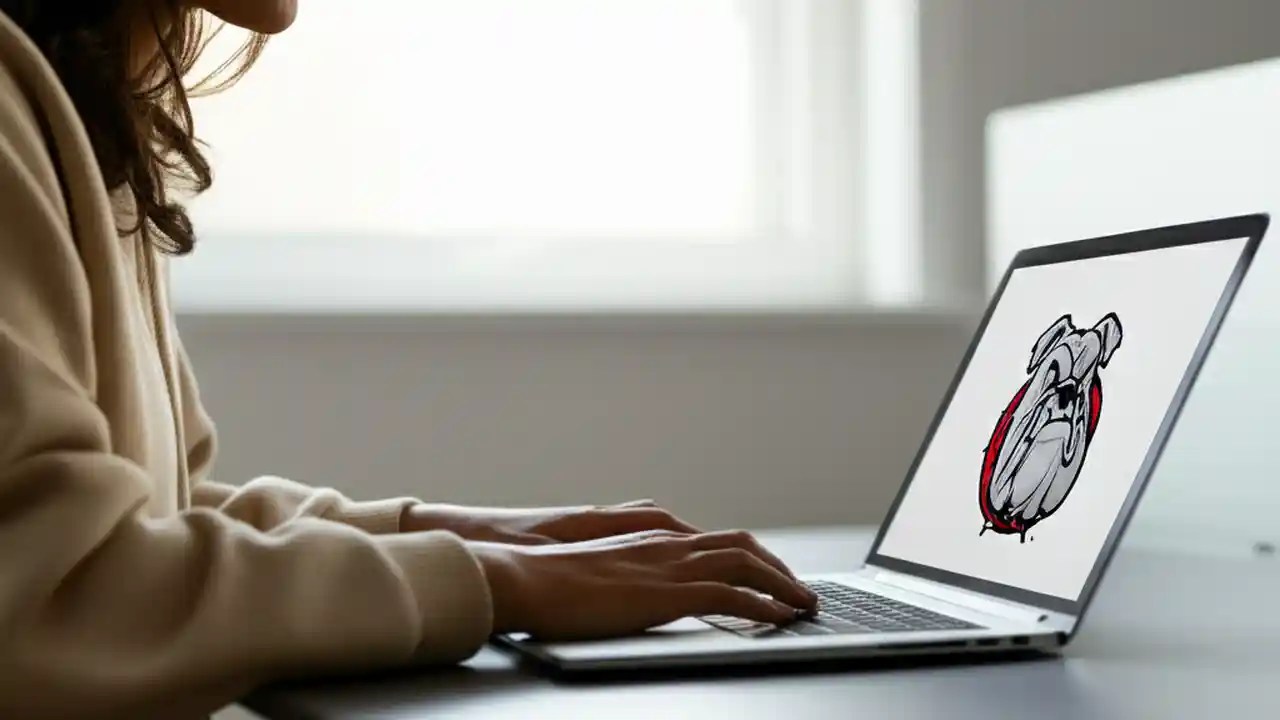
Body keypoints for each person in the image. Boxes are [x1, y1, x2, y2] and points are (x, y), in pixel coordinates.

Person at [0, 1, 817, 717]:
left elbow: (151, 525)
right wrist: (496, 582)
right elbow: (52, 601)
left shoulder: (82, 103)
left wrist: (445, 531)